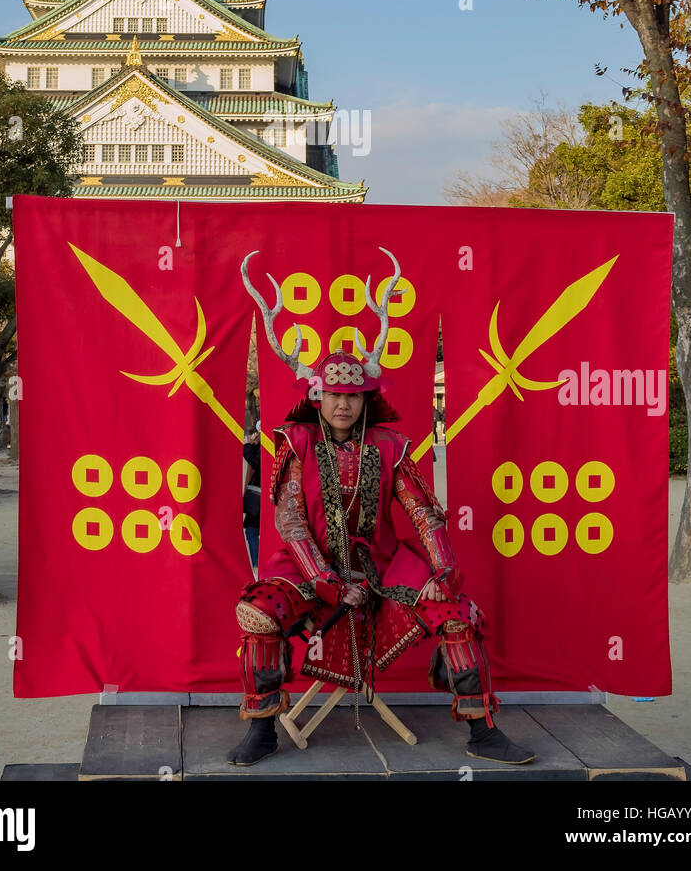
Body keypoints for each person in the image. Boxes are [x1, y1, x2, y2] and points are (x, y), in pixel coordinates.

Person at [226, 248, 536, 769]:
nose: (343, 404)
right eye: (334, 396)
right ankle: (262, 731)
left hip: (382, 569)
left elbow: (422, 511)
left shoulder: (391, 446)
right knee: (258, 610)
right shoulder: (294, 441)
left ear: (367, 398)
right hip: (307, 571)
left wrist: (443, 568)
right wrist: (326, 580)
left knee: (456, 612)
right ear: (317, 396)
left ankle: (484, 733)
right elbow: (290, 521)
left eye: (354, 396)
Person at [242, 422, 261, 567]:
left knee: (252, 531)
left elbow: (257, 463)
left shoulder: (264, 447)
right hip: (256, 493)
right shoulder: (258, 446)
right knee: (252, 531)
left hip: (259, 495)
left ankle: (256, 564)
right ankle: (256, 563)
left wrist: (247, 446)